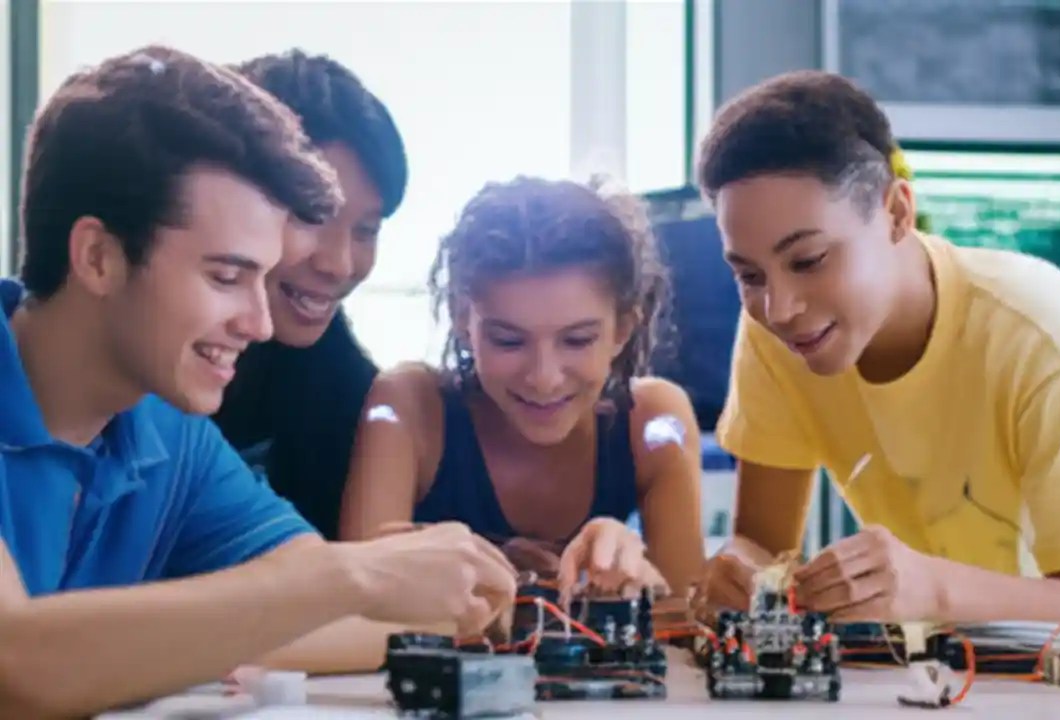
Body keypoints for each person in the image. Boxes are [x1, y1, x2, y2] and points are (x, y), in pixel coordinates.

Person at [0, 46, 513, 718]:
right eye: (225, 277)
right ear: (99, 257)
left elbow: (309, 607)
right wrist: (356, 576)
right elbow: (16, 667)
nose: (261, 323)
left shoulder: (170, 436)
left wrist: (460, 587)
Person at [694, 70, 1060, 625]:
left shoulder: (1044, 339)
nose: (778, 309)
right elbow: (760, 545)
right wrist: (736, 574)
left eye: (808, 261)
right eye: (749, 275)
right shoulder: (771, 334)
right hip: (919, 678)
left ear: (897, 212)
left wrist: (935, 591)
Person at [339, 176, 706, 600]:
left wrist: (640, 586)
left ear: (623, 329)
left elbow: (685, 618)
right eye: (508, 341)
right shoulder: (409, 407)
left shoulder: (654, 422)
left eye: (577, 340)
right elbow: (356, 595)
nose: (544, 377)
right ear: (463, 320)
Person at [212, 49, 408, 540]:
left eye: (366, 230)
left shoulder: (346, 390)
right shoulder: (146, 384)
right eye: (311, 217)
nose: (338, 263)